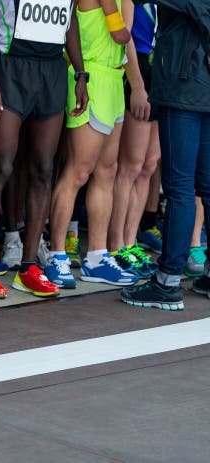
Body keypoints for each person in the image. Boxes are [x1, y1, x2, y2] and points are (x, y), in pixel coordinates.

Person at [0, 0, 87, 299]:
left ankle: (28, 267)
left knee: (44, 169)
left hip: (52, 71)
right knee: (1, 165)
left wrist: (80, 75)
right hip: (9, 66)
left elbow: (69, 20)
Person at [44, 0, 139, 289]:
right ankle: (56, 254)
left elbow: (125, 39)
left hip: (113, 79)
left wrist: (137, 84)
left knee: (107, 171)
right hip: (90, 77)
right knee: (78, 172)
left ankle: (97, 256)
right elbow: (121, 35)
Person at [122, 0, 210, 310]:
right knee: (205, 187)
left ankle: (168, 281)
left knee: (180, 187)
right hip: (201, 86)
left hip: (184, 86)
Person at [107, 1, 158, 279]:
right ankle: (116, 245)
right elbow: (125, 38)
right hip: (138, 70)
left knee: (149, 164)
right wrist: (137, 84)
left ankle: (130, 241)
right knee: (132, 164)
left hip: (163, 73)